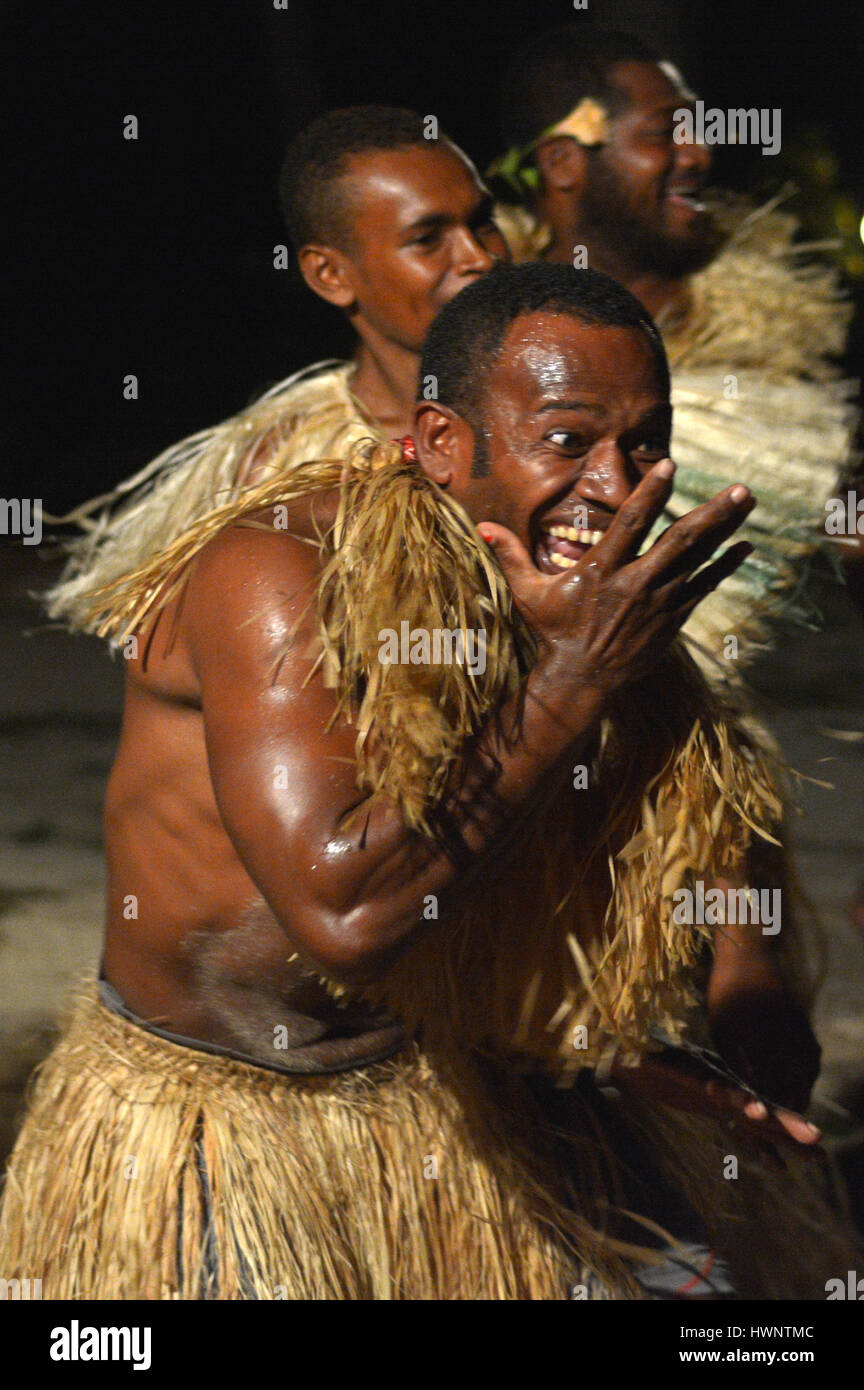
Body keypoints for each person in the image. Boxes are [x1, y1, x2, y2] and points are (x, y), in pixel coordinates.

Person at [2, 263, 852, 1300]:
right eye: (569, 441)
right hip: (228, 1128)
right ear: (446, 444)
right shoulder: (279, 571)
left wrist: (736, 1003)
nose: (616, 483)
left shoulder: (578, 594)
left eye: (644, 442)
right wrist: (577, 674)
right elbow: (346, 915)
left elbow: (694, 808)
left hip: (456, 1087)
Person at [490, 26, 860, 684]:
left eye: (698, 131)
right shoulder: (480, 342)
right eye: (666, 133)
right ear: (563, 162)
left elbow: (839, 528)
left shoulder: (785, 345)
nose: (699, 155)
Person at [45, 105, 506, 630]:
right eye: (427, 239)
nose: (480, 257)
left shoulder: (583, 409)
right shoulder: (276, 473)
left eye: (482, 222)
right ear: (330, 274)